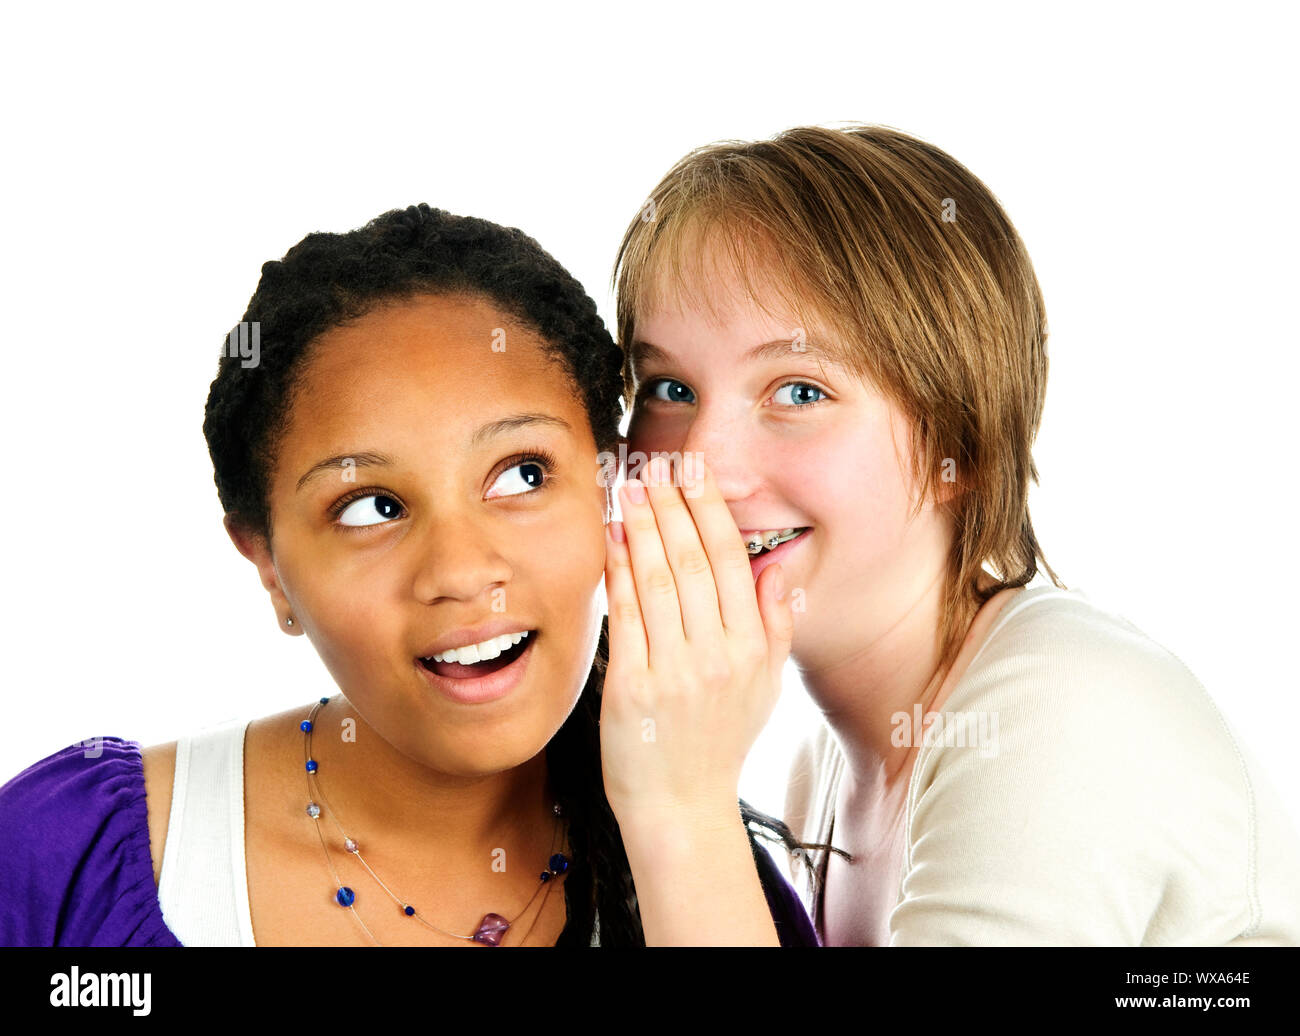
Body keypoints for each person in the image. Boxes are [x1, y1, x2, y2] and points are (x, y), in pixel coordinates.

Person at [0, 204, 816, 947]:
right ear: (269, 566)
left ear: (612, 492)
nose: (461, 573)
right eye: (370, 508)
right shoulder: (64, 860)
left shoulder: (712, 883)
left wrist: (680, 817)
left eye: (523, 475)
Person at [604, 124, 1300, 945]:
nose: (702, 465)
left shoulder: (1059, 708)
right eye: (669, 387)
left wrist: (678, 806)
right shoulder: (814, 774)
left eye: (798, 392)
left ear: (957, 447)